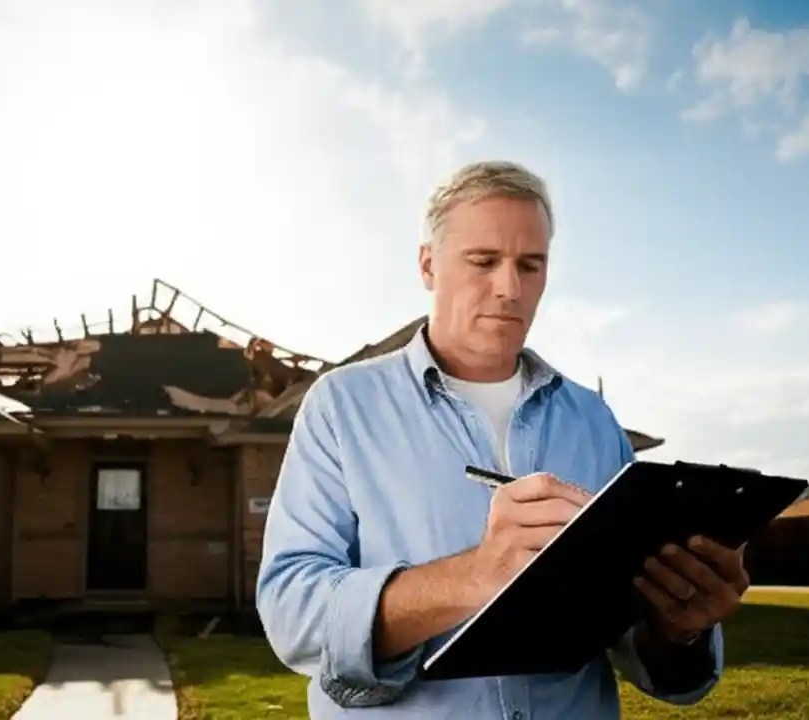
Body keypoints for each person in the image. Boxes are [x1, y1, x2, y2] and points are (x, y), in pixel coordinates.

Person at [255, 160, 749, 718]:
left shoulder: (593, 421)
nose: (510, 288)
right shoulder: (342, 406)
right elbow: (291, 612)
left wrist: (677, 627)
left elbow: (631, 643)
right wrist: (477, 575)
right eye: (484, 262)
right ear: (427, 265)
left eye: (530, 265)